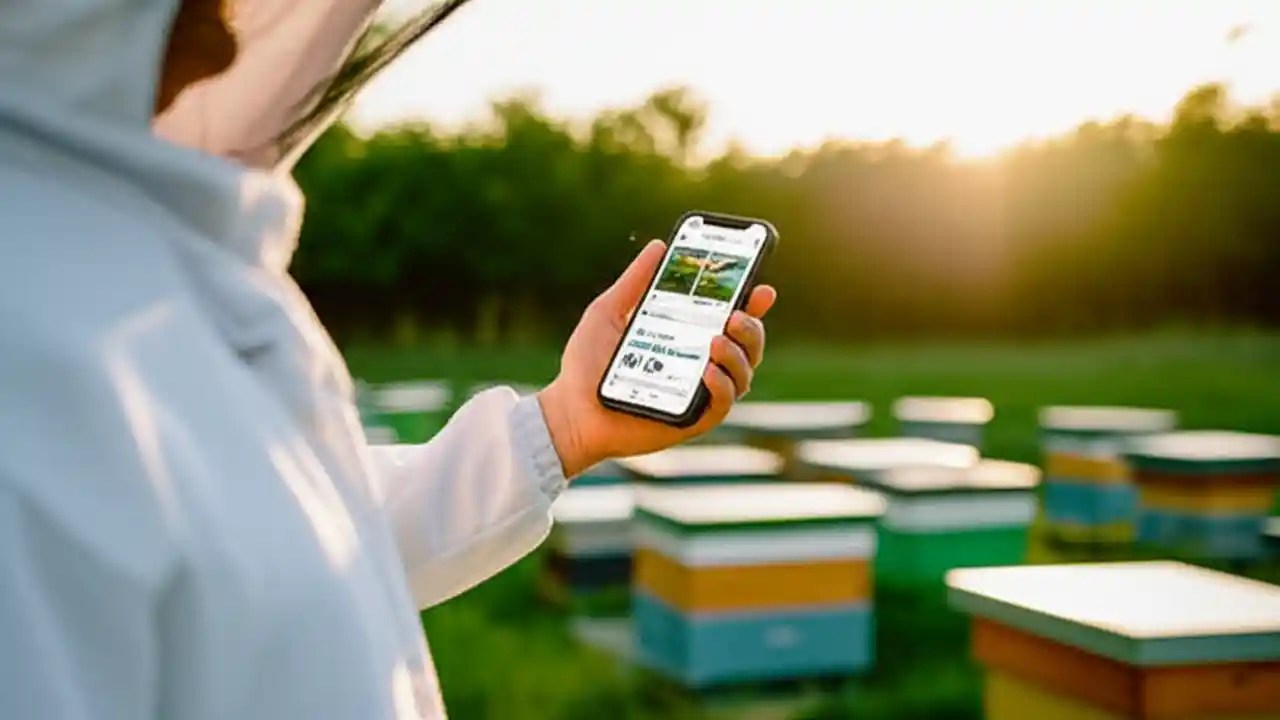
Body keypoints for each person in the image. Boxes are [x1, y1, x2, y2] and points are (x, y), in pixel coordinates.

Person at [0, 2, 776, 718]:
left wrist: (564, 426)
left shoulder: (124, 256)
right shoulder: (36, 336)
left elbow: (305, 540)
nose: (229, 20)